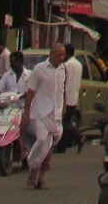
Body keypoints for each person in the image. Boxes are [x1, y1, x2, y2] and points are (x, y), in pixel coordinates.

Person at [21, 44, 68, 189]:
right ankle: (33, 165)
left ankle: (41, 177)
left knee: (50, 147)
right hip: (40, 112)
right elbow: (30, 93)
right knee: (41, 140)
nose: (61, 58)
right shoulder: (39, 69)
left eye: (63, 55)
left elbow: (62, 90)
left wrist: (64, 106)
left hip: (56, 114)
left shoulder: (63, 69)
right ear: (51, 54)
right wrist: (26, 114)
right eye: (58, 55)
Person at [60, 43, 84, 148]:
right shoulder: (78, 64)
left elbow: (63, 81)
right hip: (74, 96)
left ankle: (78, 136)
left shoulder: (67, 65)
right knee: (66, 121)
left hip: (67, 97)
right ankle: (62, 145)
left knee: (63, 123)